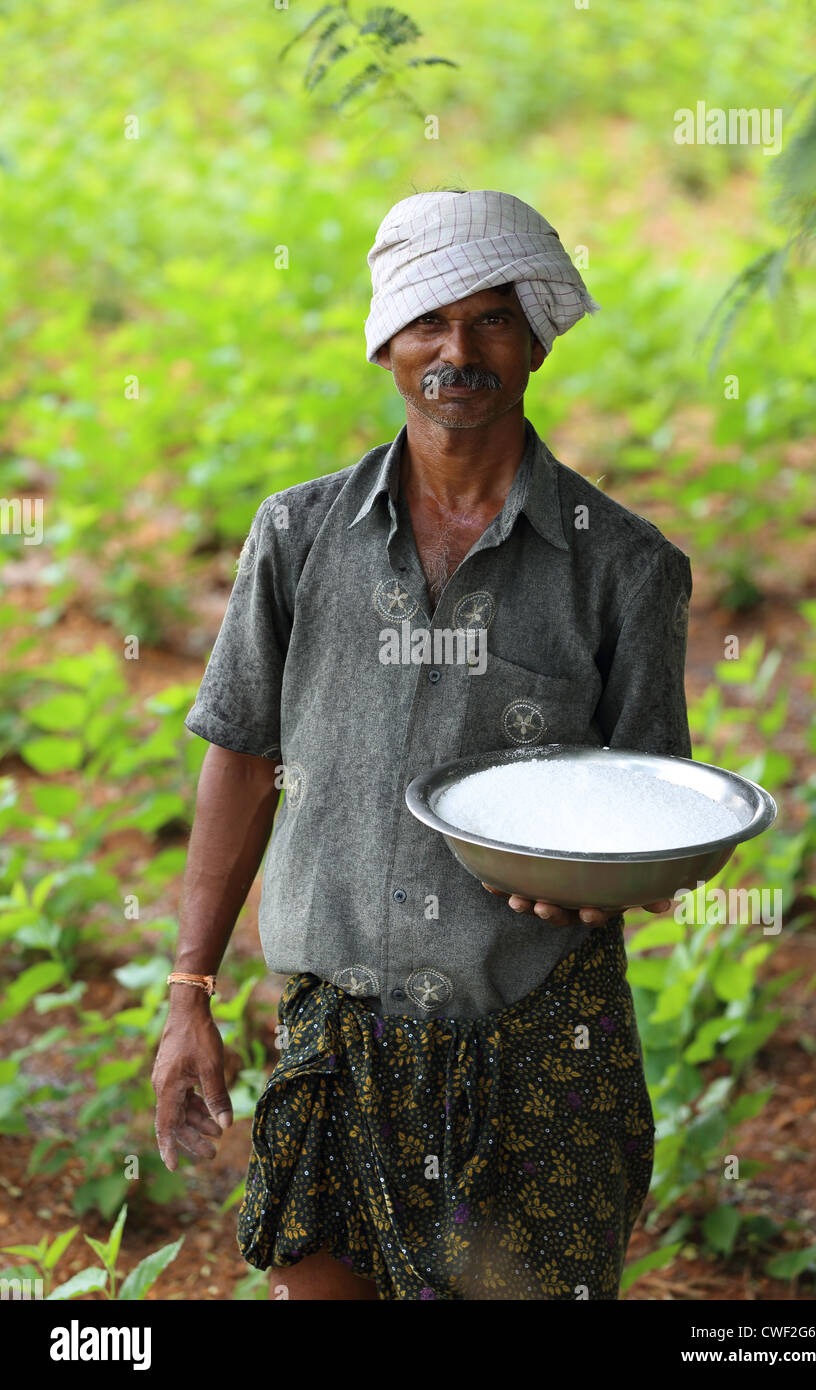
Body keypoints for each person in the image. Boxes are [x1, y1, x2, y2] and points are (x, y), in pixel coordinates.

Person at [151, 188, 693, 1301]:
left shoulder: (623, 568)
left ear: (536, 339)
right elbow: (241, 758)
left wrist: (602, 885)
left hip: (533, 1042)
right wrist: (187, 988)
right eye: (428, 322)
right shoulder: (297, 538)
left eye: (493, 318)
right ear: (387, 343)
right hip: (334, 1034)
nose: (458, 350)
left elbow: (656, 808)